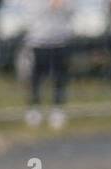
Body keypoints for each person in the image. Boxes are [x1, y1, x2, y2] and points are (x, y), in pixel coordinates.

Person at [23, 0, 74, 130]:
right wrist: (49, 6)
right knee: (36, 76)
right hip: (39, 40)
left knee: (59, 76)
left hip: (61, 39)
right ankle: (34, 108)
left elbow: (72, 11)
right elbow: (31, 12)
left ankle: (58, 109)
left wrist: (61, 6)